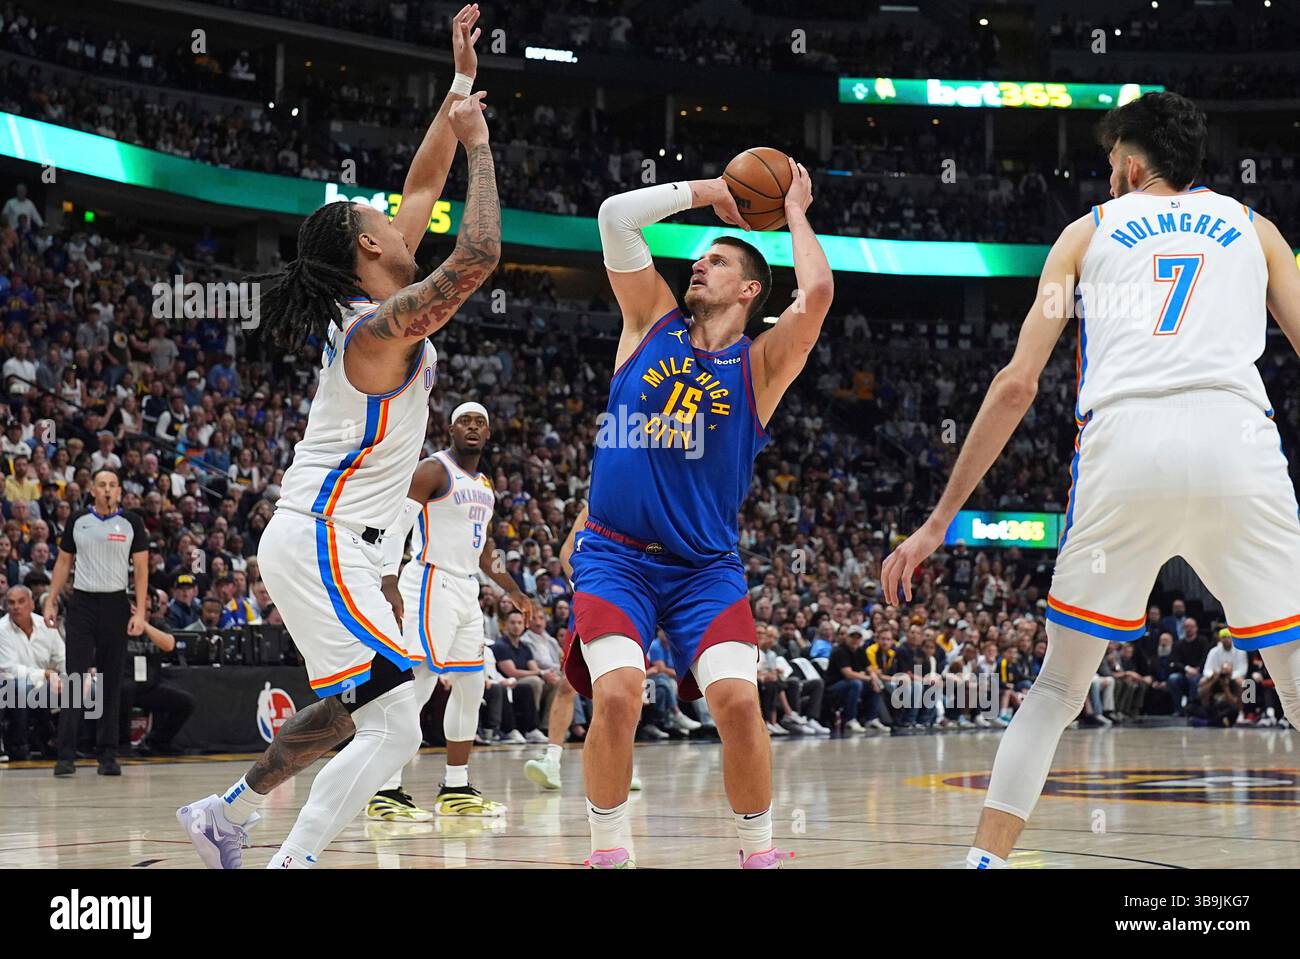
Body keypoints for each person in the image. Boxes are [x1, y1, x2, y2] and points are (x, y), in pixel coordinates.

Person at [882, 91, 1300, 869]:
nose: (1107, 174)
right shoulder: (1257, 229)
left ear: (1132, 162)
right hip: (1238, 439)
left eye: (1111, 161)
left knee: (1056, 689)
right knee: (1296, 674)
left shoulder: (1084, 234)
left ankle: (983, 863)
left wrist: (940, 518)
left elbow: (1016, 384)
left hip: (1126, 446)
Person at [176, 5, 499, 870]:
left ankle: (231, 811)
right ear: (368, 244)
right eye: (386, 218)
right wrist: (481, 144)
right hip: (323, 536)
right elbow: (477, 260)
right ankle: (284, 849)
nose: (405, 217)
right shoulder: (377, 328)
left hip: (330, 543)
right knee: (398, 706)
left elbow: (421, 184)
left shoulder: (376, 304)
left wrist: (460, 81)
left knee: (377, 713)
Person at [564, 153, 832, 868]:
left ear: (749, 288)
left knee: (741, 705)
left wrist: (793, 209)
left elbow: (818, 294)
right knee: (618, 694)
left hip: (703, 569)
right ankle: (608, 852)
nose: (698, 266)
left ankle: (757, 853)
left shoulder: (761, 365)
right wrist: (716, 192)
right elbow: (617, 215)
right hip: (614, 555)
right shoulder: (649, 320)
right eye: (698, 258)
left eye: (716, 261)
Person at [365, 401, 526, 822]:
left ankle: (455, 787)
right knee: (418, 683)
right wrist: (388, 578)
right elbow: (396, 525)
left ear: (488, 434)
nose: (473, 428)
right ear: (450, 429)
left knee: (473, 684)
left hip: (465, 589)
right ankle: (385, 790)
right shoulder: (433, 470)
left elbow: (485, 550)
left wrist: (513, 589)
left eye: (480, 423)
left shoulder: (485, 483)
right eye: (464, 422)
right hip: (429, 582)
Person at [44, 467, 149, 776]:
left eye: (112, 485)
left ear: (119, 491)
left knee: (110, 680)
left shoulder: (132, 523)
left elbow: (141, 570)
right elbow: (64, 563)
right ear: (92, 489)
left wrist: (140, 612)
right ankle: (65, 754)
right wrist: (51, 599)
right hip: (82, 603)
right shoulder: (78, 521)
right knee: (75, 677)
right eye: (101, 484)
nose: (107, 489)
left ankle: (107, 754)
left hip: (116, 603)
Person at [120, 591, 196, 756]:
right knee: (124, 691)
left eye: (146, 601)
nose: (142, 603)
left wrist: (144, 625)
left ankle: (157, 741)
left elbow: (169, 644)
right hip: (123, 683)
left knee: (186, 702)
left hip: (149, 686)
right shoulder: (120, 624)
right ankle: (122, 744)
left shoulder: (158, 624)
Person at [0, 585, 66, 761]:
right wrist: (45, 674)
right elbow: (10, 669)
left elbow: (63, 657)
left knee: (87, 686)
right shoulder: (1, 629)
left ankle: (75, 743)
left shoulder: (46, 626)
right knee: (20, 686)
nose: (16, 607)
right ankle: (19, 746)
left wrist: (65, 678)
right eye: (11, 603)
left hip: (47, 685)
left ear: (31, 604)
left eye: (21, 602)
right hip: (12, 687)